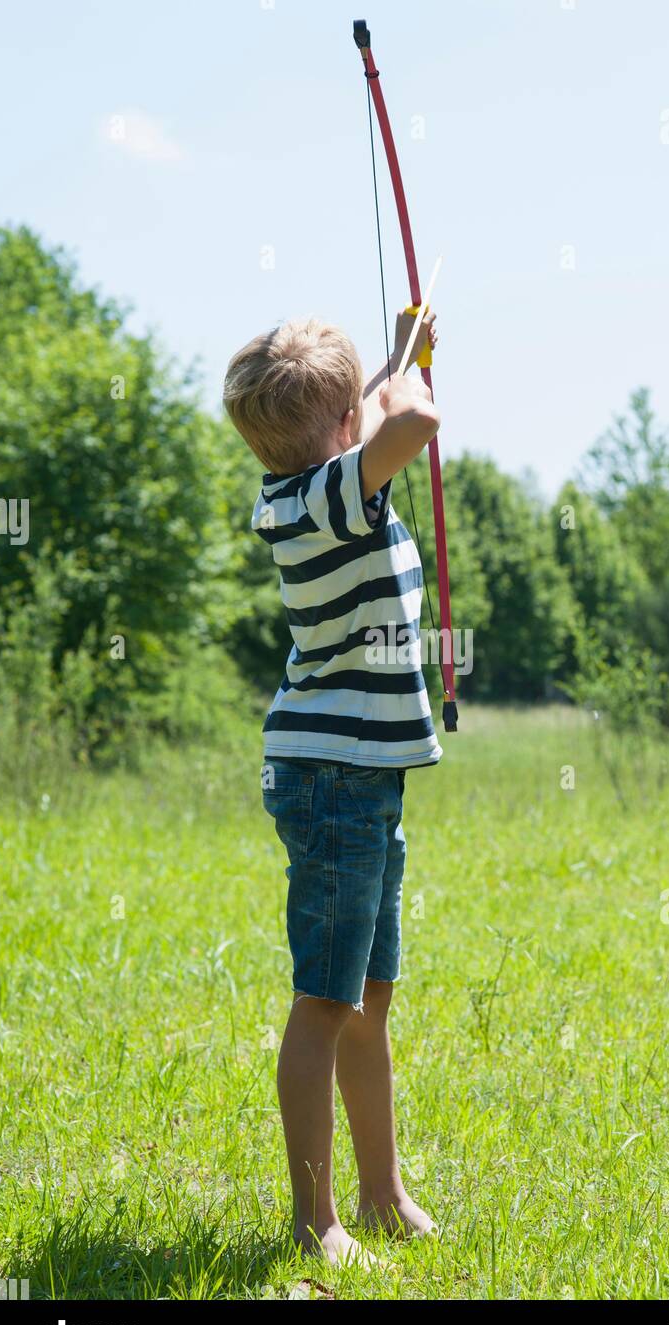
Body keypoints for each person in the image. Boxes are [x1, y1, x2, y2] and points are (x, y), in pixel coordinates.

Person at [222, 310, 442, 1266]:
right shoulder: (327, 497)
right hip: (335, 780)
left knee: (368, 993)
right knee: (325, 998)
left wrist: (399, 355)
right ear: (346, 426)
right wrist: (409, 388)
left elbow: (376, 422)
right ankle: (318, 1224)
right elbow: (411, 429)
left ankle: (383, 1193)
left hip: (364, 777)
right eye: (359, 403)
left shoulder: (304, 489)